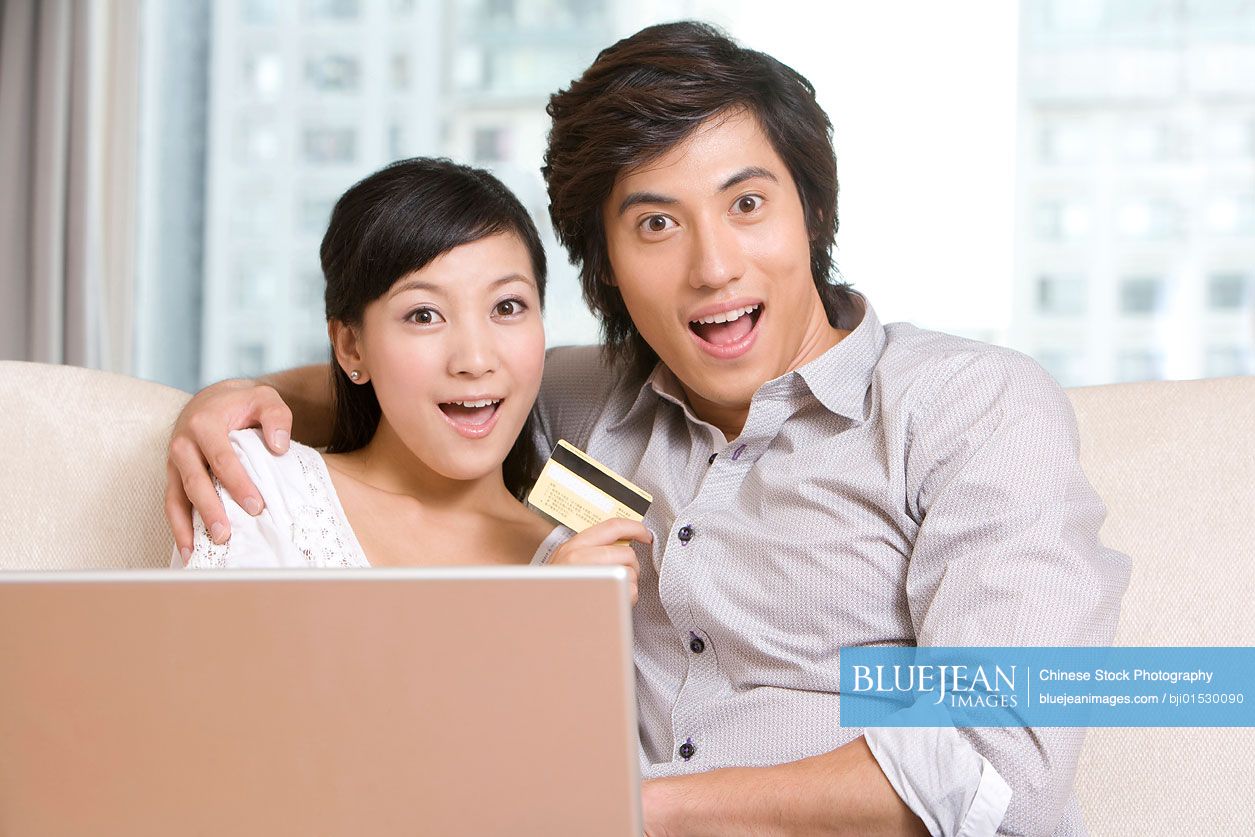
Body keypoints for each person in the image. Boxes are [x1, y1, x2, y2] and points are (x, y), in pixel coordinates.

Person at [166, 22, 1130, 836]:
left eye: (747, 204)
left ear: (811, 211)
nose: (713, 266)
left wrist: (630, 807)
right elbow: (433, 385)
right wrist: (235, 400)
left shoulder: (967, 407)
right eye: (656, 225)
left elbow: (1004, 759)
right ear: (605, 268)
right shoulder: (578, 408)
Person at [177, 157, 650, 594]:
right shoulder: (261, 487)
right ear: (351, 346)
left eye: (507, 307)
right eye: (424, 315)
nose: (474, 359)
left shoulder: (582, 566)